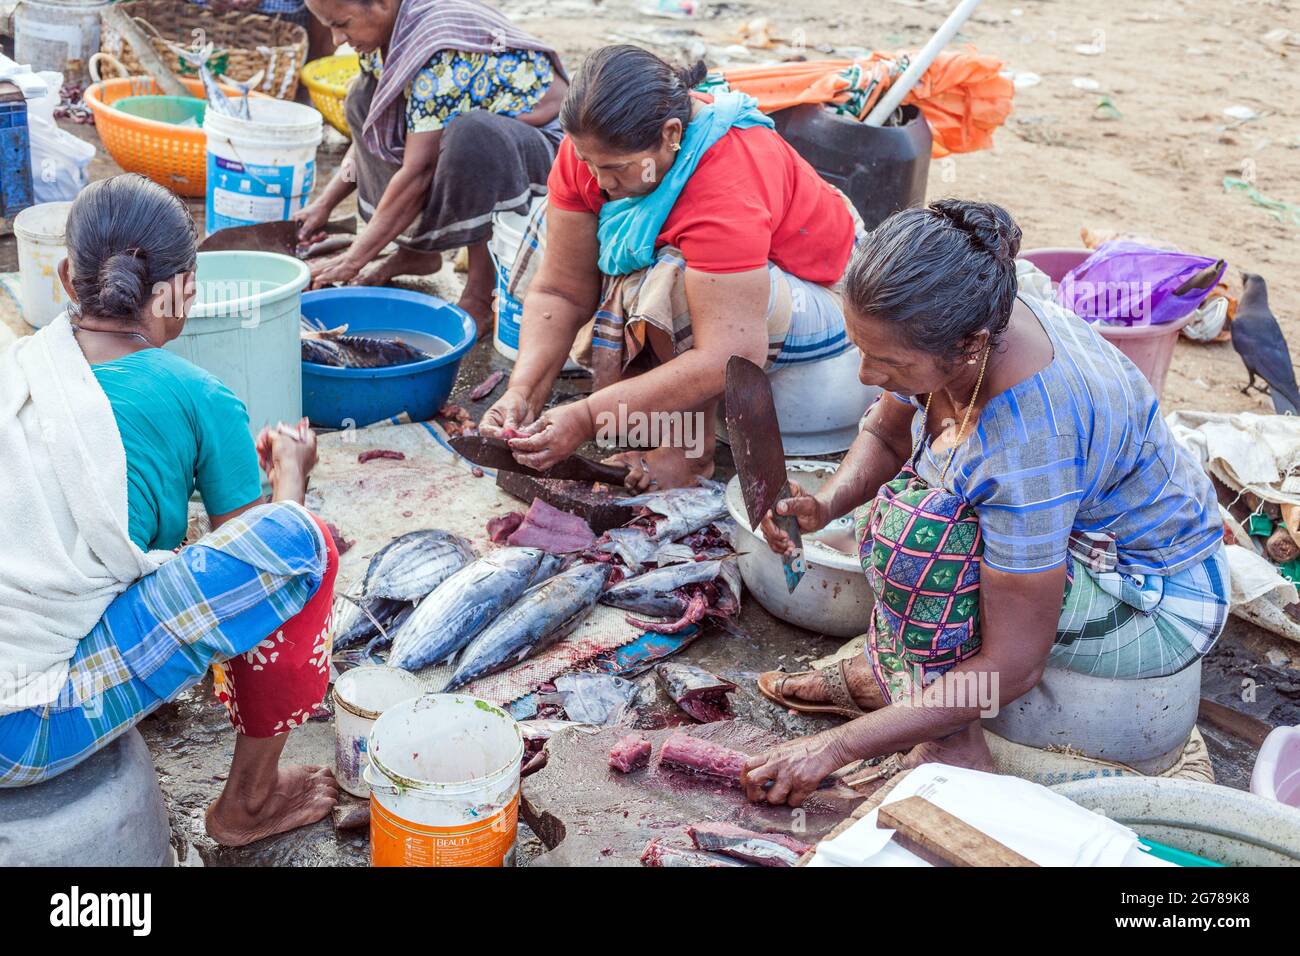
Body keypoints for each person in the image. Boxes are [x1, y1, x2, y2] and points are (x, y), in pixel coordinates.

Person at [742, 200, 1229, 808]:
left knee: (919, 536)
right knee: (913, 514)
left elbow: (1013, 664)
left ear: (969, 346)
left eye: (888, 362)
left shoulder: (1029, 439)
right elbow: (889, 435)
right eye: (860, 349)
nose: (867, 375)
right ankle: (897, 679)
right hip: (1073, 538)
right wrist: (827, 503)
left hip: (1153, 597)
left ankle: (952, 740)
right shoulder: (966, 319)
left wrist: (837, 748)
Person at [0, 174, 340, 847]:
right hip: (21, 727)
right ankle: (249, 802)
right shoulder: (199, 395)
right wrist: (291, 479)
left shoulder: (21, 368)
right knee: (305, 546)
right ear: (185, 291)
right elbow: (256, 564)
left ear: (69, 279)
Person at [479, 45, 862, 491]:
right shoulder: (592, 148)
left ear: (672, 134)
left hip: (829, 297)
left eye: (616, 169)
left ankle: (686, 454)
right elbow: (562, 290)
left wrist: (588, 416)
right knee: (564, 223)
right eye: (590, 164)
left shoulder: (726, 184)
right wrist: (522, 392)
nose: (601, 181)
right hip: (740, 286)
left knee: (670, 275)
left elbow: (732, 355)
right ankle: (650, 425)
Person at [296, 0, 568, 332]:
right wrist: (324, 205)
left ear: (381, 4)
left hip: (541, 151)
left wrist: (354, 258)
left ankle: (482, 296)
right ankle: (416, 250)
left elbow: (417, 172)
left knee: (472, 135)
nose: (336, 40)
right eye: (330, 26)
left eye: (342, 24)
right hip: (469, 134)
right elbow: (373, 129)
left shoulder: (435, 50)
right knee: (362, 99)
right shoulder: (381, 36)